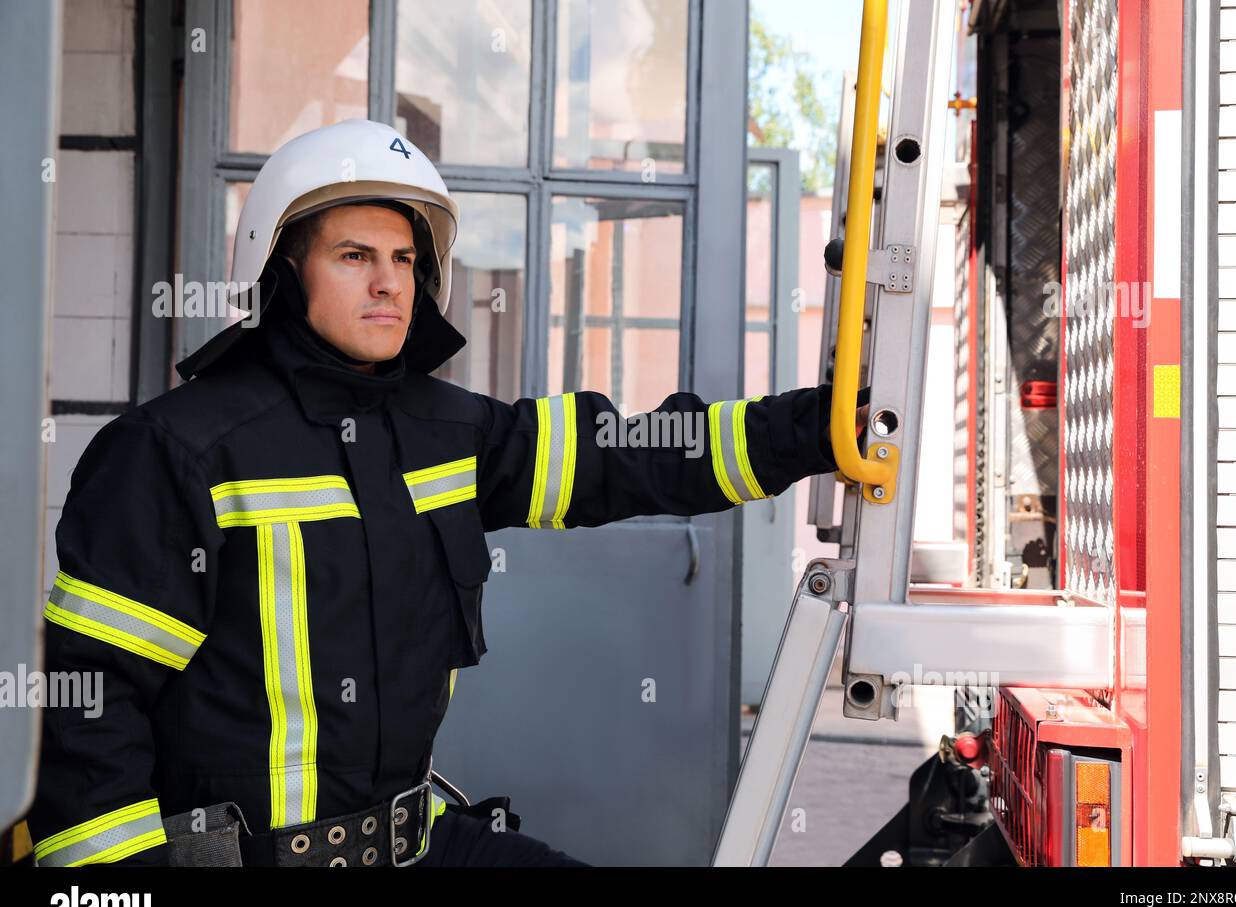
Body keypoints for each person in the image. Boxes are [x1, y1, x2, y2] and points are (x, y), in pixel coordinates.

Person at [26, 119, 870, 867]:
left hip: (415, 843)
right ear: (282, 270)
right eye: (355, 256)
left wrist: (825, 428)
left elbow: (635, 456)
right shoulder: (173, 452)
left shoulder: (447, 431)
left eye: (403, 259)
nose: (389, 282)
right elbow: (91, 704)